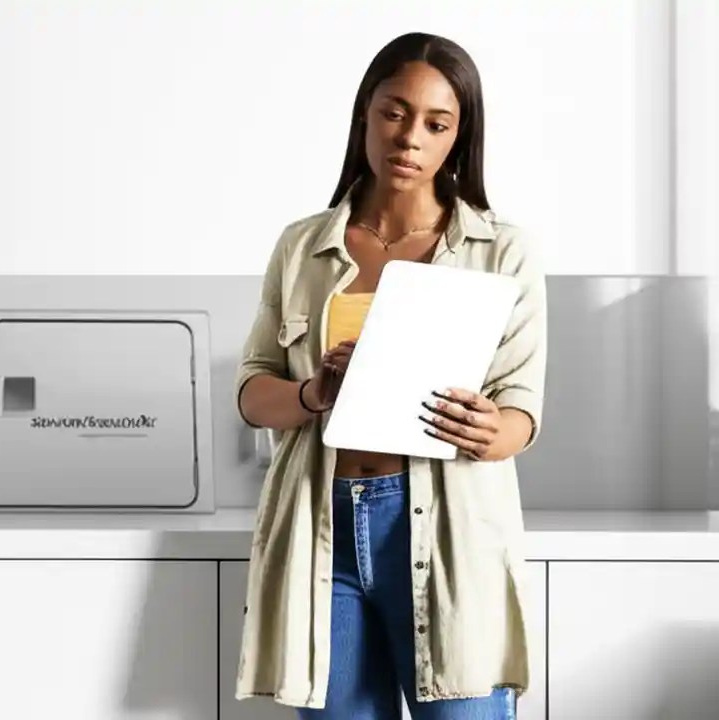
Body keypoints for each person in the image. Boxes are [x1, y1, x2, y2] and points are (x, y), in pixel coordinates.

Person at [231, 32, 547, 720]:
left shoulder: (503, 250)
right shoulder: (301, 246)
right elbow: (255, 391)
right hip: (322, 524)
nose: (410, 138)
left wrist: (492, 428)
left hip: (448, 529)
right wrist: (314, 393)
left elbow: (520, 413)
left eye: (437, 123)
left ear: (459, 138)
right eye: (394, 113)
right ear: (365, 117)